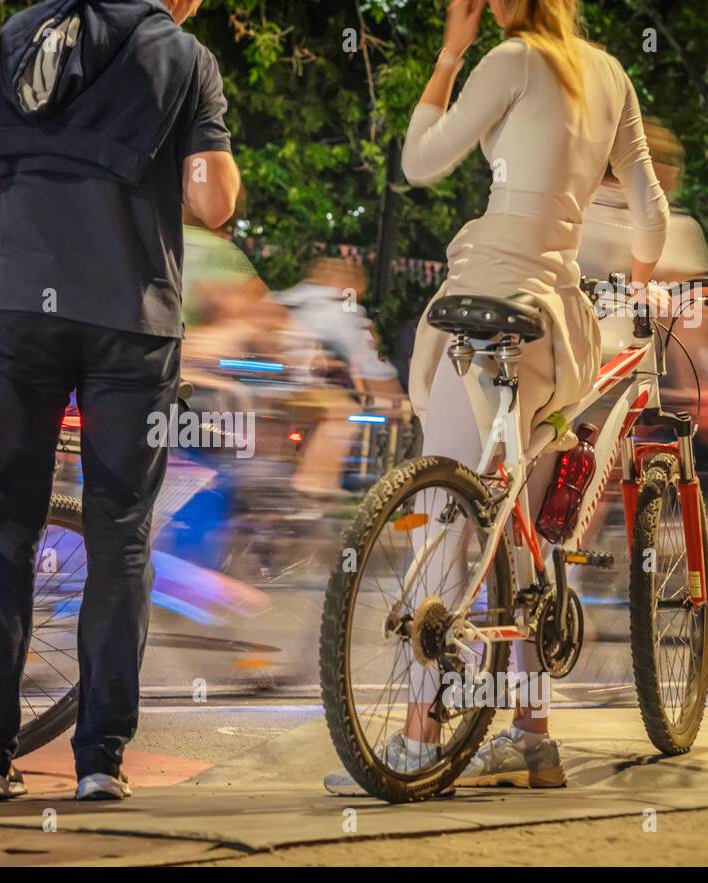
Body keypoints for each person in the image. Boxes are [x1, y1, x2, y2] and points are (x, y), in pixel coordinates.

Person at [325, 0, 670, 794]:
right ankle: (532, 736)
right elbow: (651, 225)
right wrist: (633, 282)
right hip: (558, 324)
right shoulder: (611, 76)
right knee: (529, 527)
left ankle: (416, 739)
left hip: (484, 301)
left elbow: (419, 161)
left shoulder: (509, 61)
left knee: (448, 515)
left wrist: (449, 55)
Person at [0, 0, 239, 802]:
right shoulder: (184, 57)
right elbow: (213, 203)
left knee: (4, 529)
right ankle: (99, 763)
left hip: (16, 312)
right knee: (119, 538)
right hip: (129, 320)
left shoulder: (22, 34)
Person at [277, 256, 406, 496]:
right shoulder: (342, 308)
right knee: (342, 415)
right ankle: (314, 489)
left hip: (265, 384)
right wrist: (400, 402)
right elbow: (372, 364)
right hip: (300, 388)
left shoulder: (288, 298)